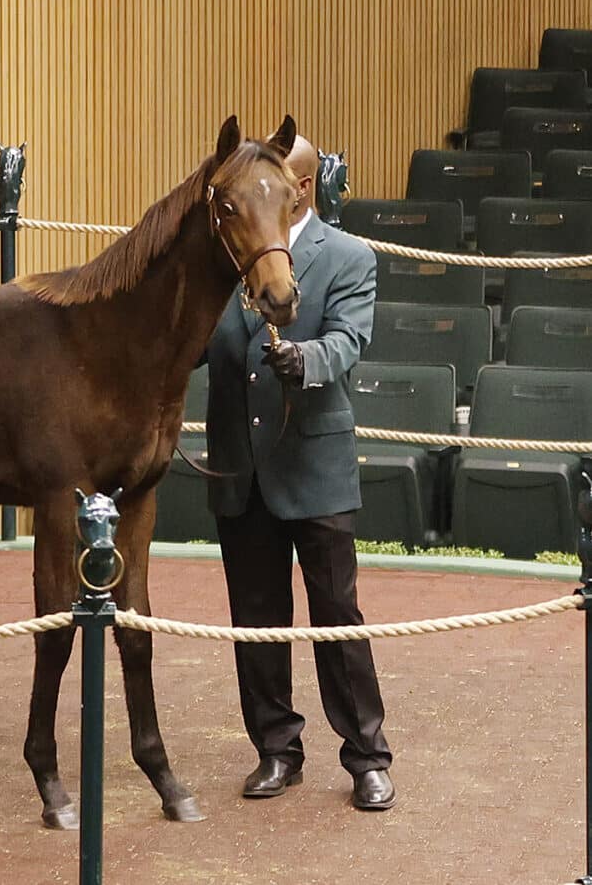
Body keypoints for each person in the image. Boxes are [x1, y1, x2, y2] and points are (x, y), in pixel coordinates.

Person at [204, 131, 395, 810]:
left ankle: (367, 757)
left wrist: (306, 360)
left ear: (303, 188)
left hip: (315, 466)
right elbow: (194, 344)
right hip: (241, 469)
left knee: (336, 615)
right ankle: (277, 751)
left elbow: (348, 339)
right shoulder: (230, 256)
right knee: (256, 618)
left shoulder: (348, 256)